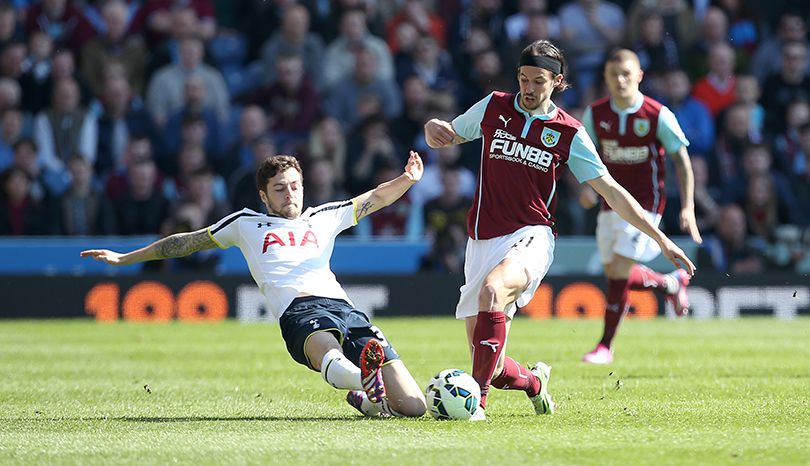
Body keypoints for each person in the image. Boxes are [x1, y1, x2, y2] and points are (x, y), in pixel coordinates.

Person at [424, 40, 695, 420]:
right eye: (523, 79)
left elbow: (612, 191)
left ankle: (477, 404)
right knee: (495, 364)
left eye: (538, 81)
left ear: (557, 82)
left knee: (493, 290)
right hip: (481, 239)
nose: (528, 89)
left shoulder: (569, 132)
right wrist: (434, 128)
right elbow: (451, 133)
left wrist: (661, 239)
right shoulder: (494, 106)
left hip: (531, 236)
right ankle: (534, 384)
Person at [81, 153, 427, 419]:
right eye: (279, 189)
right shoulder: (246, 223)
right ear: (264, 195)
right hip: (300, 311)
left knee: (414, 407)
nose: (289, 194)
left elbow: (375, 198)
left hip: (346, 309)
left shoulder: (325, 216)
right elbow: (185, 242)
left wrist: (407, 179)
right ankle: (364, 378)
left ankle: (367, 399)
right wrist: (125, 258)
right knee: (328, 352)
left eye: (294, 186)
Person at [578, 49, 702, 365]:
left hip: (647, 204)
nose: (620, 81)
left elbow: (682, 161)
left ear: (639, 76)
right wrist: (589, 191)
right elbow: (586, 157)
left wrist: (687, 205)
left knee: (619, 270)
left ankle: (605, 346)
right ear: (605, 77)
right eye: (613, 75)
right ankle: (670, 283)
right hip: (609, 203)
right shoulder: (594, 114)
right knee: (615, 272)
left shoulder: (657, 115)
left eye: (626, 74)